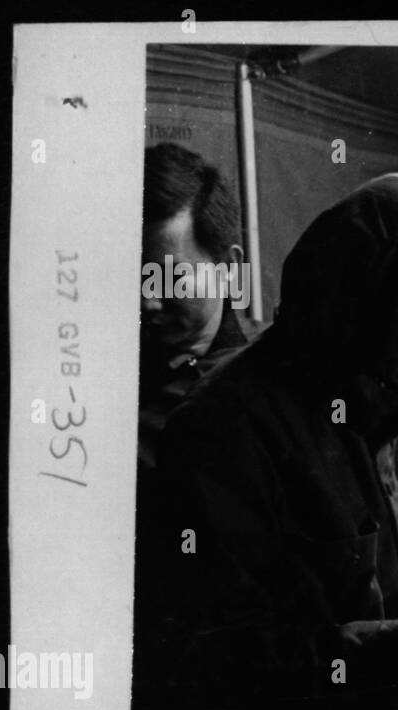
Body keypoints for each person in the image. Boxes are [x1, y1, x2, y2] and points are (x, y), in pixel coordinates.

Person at [132, 174, 398, 710]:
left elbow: (388, 573)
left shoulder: (393, 393)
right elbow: (215, 657)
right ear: (356, 324)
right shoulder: (226, 431)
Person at [138, 143, 251, 470]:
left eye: (173, 277)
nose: (149, 301)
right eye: (136, 276)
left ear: (229, 269)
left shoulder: (260, 393)